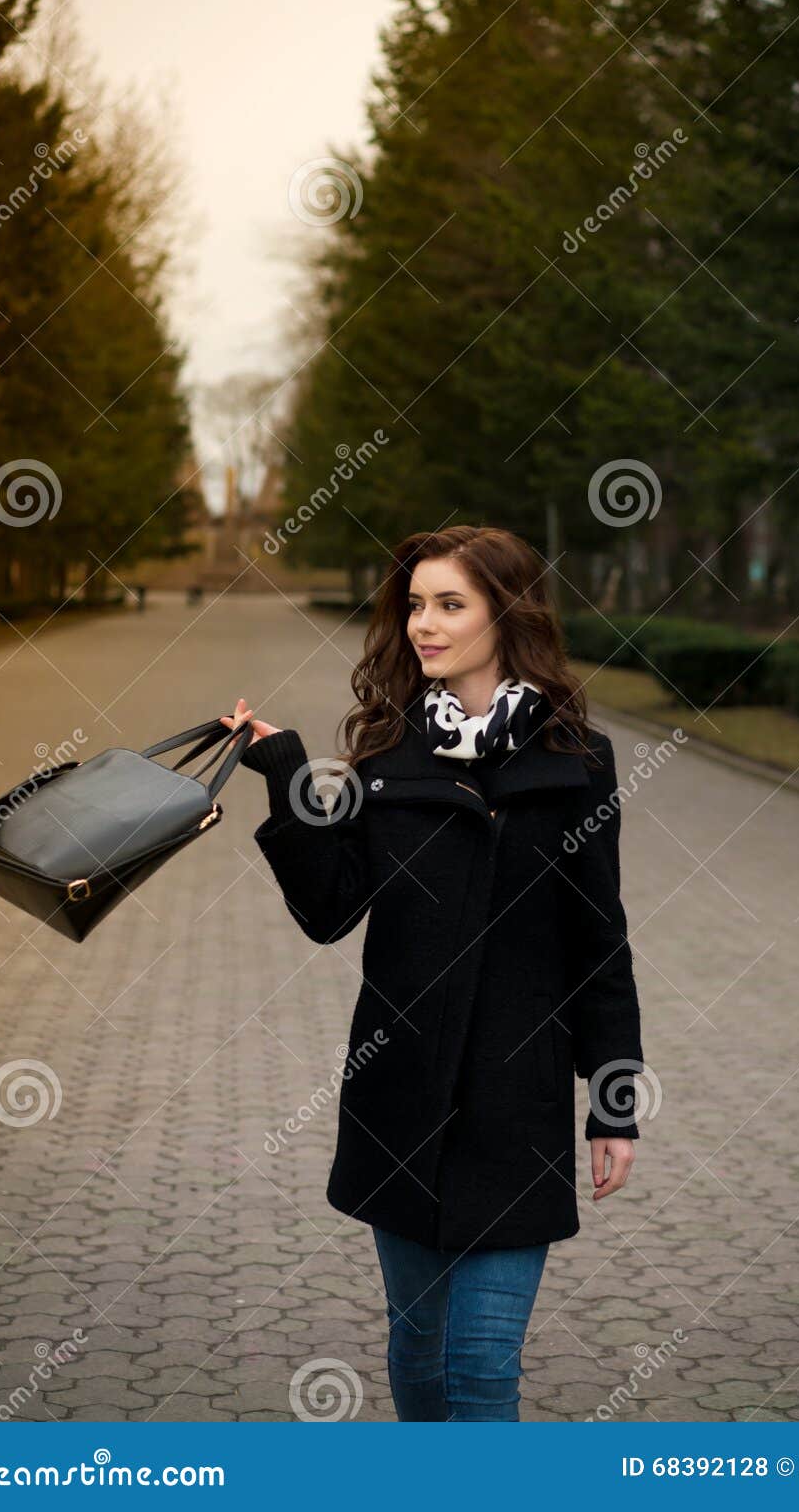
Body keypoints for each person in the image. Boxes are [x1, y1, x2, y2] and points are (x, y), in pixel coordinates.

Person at [222, 524, 644, 1421]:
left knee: (483, 1367)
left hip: (516, 1103)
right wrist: (287, 773)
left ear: (507, 613)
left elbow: (598, 940)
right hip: (400, 1098)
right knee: (418, 1346)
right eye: (414, 604)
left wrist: (613, 1100)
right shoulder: (386, 752)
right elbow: (330, 910)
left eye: (450, 604)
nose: (423, 624)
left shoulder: (578, 761)